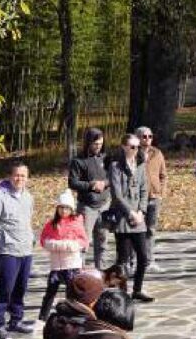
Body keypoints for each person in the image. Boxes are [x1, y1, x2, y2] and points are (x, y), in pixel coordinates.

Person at [0, 162, 36, 333]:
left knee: (21, 288)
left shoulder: (28, 196)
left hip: (25, 249)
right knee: (4, 288)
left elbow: (27, 220)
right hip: (7, 250)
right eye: (16, 175)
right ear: (10, 176)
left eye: (23, 175)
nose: (19, 178)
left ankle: (16, 319)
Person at [108, 142, 153, 301]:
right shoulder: (115, 166)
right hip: (123, 219)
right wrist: (130, 213)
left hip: (139, 218)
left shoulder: (140, 166)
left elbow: (144, 190)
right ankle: (121, 292)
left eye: (137, 147)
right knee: (123, 259)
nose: (136, 150)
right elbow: (117, 195)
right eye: (132, 146)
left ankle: (137, 290)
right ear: (124, 147)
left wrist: (141, 211)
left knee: (143, 257)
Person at [68, 128, 115, 268]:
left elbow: (113, 177)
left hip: (105, 204)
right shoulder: (78, 161)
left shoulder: (106, 158)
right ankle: (78, 271)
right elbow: (72, 182)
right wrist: (91, 185)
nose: (98, 146)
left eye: (100, 143)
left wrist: (105, 183)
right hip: (87, 207)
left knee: (102, 240)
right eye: (95, 144)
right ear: (88, 142)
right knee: (83, 242)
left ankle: (100, 271)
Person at [41, 192, 91, 312]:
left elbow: (84, 241)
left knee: (73, 294)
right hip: (56, 266)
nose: (64, 211)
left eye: (67, 208)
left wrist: (69, 245)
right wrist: (52, 244)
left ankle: (74, 315)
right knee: (50, 293)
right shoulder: (51, 224)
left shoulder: (76, 222)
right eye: (61, 207)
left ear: (71, 209)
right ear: (57, 208)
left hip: (71, 266)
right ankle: (42, 318)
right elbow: (43, 240)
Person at [136, 127, 169, 285]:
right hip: (137, 199)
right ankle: (133, 262)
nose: (147, 139)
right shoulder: (133, 153)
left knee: (151, 229)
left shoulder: (157, 153)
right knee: (135, 231)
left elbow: (163, 175)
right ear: (137, 138)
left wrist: (160, 191)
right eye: (144, 136)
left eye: (150, 136)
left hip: (154, 198)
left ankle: (150, 260)